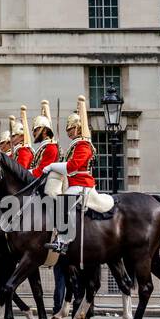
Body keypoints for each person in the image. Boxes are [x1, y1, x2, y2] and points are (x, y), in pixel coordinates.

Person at [36, 97, 95, 255]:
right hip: (74, 183)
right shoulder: (76, 144)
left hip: (82, 184)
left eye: (70, 129)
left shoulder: (83, 145)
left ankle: (63, 240)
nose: (68, 132)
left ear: (77, 128)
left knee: (61, 203)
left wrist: (51, 166)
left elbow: (72, 167)